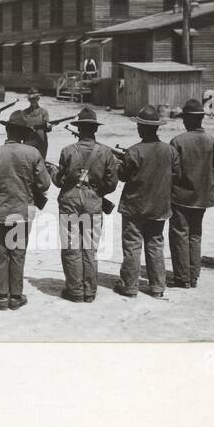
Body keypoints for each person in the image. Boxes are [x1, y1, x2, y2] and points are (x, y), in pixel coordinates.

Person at [50, 107, 120, 303]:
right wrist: (97, 193)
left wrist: (53, 173)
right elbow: (112, 183)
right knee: (89, 247)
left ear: (79, 129)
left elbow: (60, 180)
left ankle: (74, 290)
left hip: (70, 201)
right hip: (93, 202)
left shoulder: (67, 151)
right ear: (95, 130)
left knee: (72, 246)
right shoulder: (106, 153)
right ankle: (89, 291)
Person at [0, 110, 51, 311]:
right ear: (24, 133)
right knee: (17, 253)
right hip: (22, 212)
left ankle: (1, 295)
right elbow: (45, 184)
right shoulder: (33, 153)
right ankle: (15, 296)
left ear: (7, 129)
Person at [116, 105, 180, 299]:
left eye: (139, 126)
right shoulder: (170, 151)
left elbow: (122, 176)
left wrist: (120, 162)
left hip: (134, 207)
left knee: (132, 246)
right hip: (159, 207)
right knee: (155, 245)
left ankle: (129, 286)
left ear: (142, 128)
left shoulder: (134, 152)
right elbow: (176, 176)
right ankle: (158, 287)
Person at [169, 97, 214, 288]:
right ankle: (193, 276)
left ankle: (182, 278)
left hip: (180, 196)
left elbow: (172, 170)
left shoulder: (177, 141)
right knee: (195, 235)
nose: (182, 121)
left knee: (180, 235)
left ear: (189, 119)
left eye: (184, 118)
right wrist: (210, 175)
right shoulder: (213, 141)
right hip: (202, 197)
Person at [19, 88, 52, 158]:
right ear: (29, 100)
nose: (33, 101)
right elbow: (20, 129)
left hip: (41, 142)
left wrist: (49, 127)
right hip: (28, 142)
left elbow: (48, 129)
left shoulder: (43, 112)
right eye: (31, 99)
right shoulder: (24, 113)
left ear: (38, 99)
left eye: (35, 99)